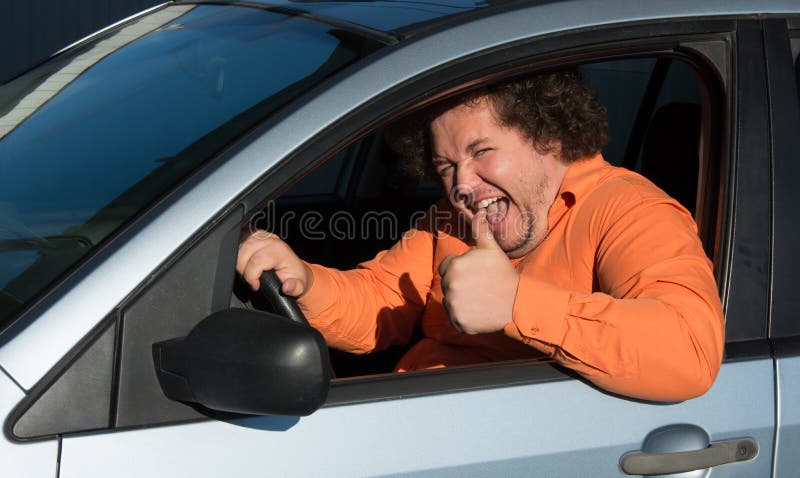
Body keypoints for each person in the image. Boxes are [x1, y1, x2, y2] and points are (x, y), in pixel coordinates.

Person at [237, 70, 725, 402]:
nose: (461, 185)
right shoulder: (452, 220)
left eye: (482, 151)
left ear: (548, 137)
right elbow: (379, 304)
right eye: (447, 165)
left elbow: (689, 351)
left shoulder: (628, 209)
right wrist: (304, 279)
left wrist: (516, 304)